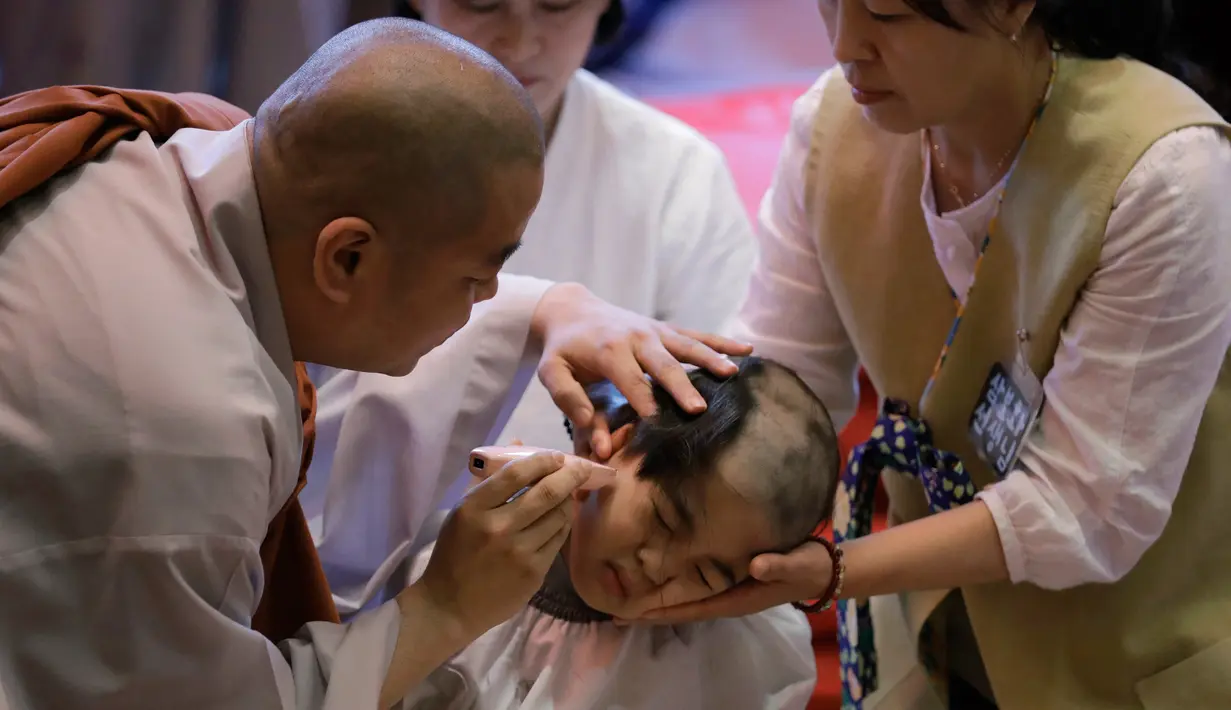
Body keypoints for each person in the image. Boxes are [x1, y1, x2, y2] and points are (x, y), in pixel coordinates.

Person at [0, 18, 749, 709]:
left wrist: (552, 304)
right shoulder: (173, 436)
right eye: (474, 279)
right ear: (347, 256)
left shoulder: (194, 155)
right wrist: (446, 608)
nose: (491, 298)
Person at [609, 2, 1231, 710]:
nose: (845, 46)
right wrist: (637, 458)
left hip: (1142, 661)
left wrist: (829, 571)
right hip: (938, 644)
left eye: (886, 13)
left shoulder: (1166, 171)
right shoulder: (833, 125)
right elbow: (781, 388)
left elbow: (1090, 510)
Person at [384, 0, 756, 453]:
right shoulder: (341, 150)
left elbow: (725, 409)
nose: (520, 42)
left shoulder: (677, 171)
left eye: (556, 5)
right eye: (482, 3)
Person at [402, 357, 838, 709]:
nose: (658, 567)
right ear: (617, 443)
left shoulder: (729, 657)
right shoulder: (476, 564)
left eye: (705, 575)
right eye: (664, 519)